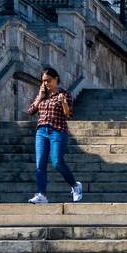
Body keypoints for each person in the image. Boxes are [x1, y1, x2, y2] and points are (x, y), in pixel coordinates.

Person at [27, 67, 83, 204]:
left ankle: (75, 186)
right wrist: (39, 97)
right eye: (44, 81)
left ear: (56, 78)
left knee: (57, 161)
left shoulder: (65, 94)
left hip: (57, 131)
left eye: (49, 80)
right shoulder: (42, 95)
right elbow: (30, 111)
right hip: (41, 132)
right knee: (40, 164)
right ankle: (41, 194)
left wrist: (63, 102)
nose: (46, 83)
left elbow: (68, 114)